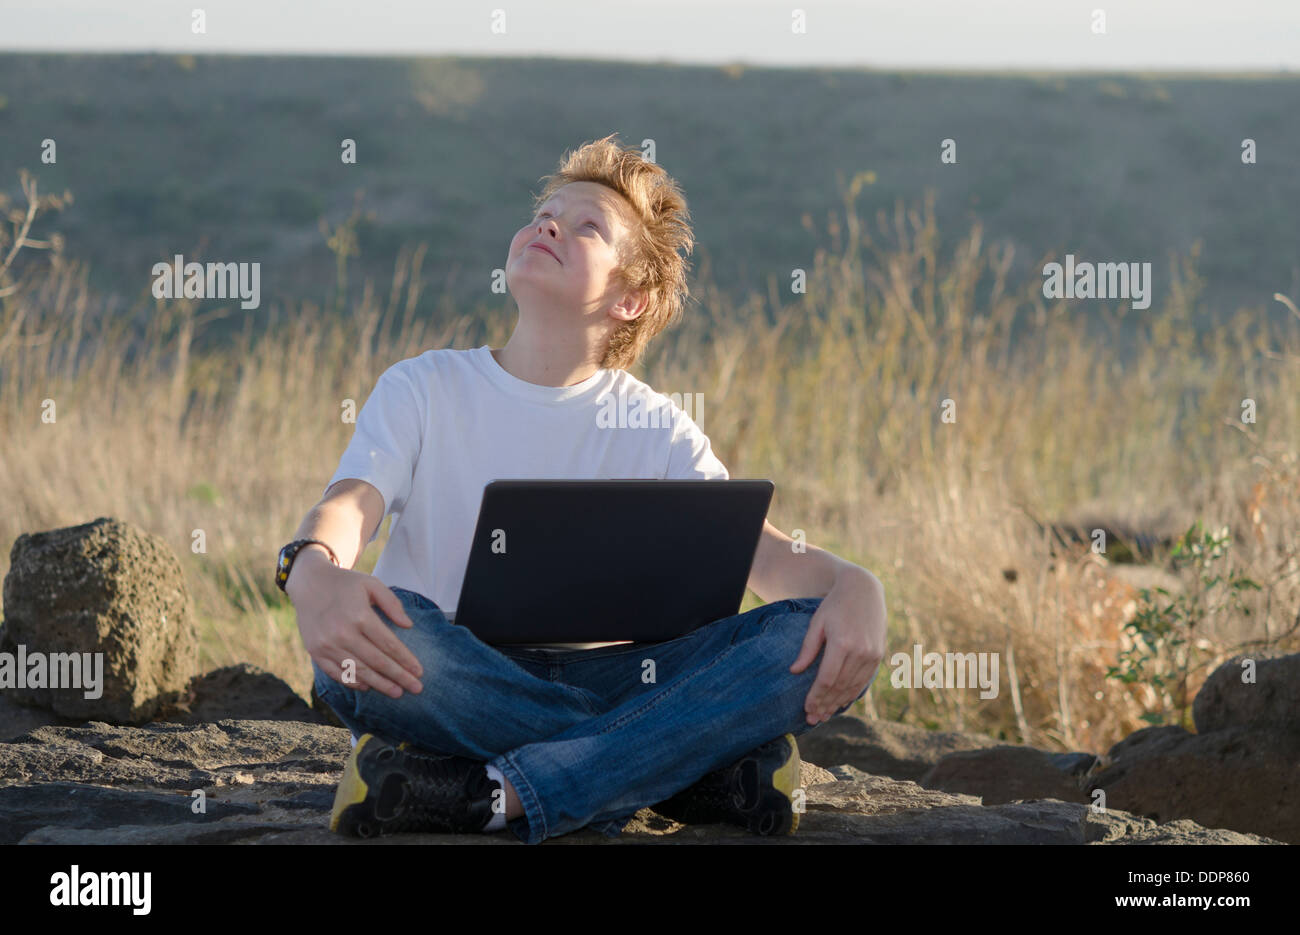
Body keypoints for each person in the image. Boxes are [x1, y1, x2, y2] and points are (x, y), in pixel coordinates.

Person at [278, 133, 887, 845]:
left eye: (587, 225)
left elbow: (771, 561)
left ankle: (486, 792)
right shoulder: (424, 385)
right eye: (545, 214)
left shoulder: (660, 427)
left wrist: (858, 586)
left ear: (631, 299)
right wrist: (312, 567)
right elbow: (354, 501)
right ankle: (686, 771)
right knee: (352, 651)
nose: (549, 225)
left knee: (800, 638)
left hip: (625, 677)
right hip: (451, 668)